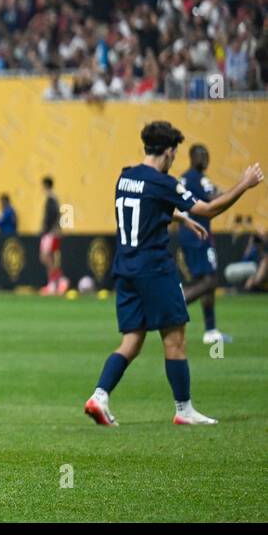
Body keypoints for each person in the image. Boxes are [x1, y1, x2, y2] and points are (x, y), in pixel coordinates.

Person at [84, 121, 262, 428]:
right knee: (175, 338)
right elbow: (207, 209)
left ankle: (99, 396)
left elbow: (148, 204)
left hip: (125, 268)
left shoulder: (125, 176)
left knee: (132, 340)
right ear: (168, 152)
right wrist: (244, 184)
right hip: (154, 268)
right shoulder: (163, 182)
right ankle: (184, 409)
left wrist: (178, 217)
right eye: (173, 154)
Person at [177, 145, 224, 343]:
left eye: (206, 155)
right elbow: (215, 198)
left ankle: (211, 330)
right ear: (192, 157)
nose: (204, 159)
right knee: (209, 281)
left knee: (205, 281)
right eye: (201, 155)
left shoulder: (182, 179)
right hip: (199, 236)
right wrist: (240, 188)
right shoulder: (200, 179)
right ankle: (176, 304)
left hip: (187, 234)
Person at [38, 176, 68, 295]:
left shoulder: (52, 199)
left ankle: (59, 280)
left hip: (50, 232)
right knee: (47, 257)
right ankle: (53, 283)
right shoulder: (51, 199)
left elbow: (54, 216)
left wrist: (55, 229)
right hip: (49, 232)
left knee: (46, 257)